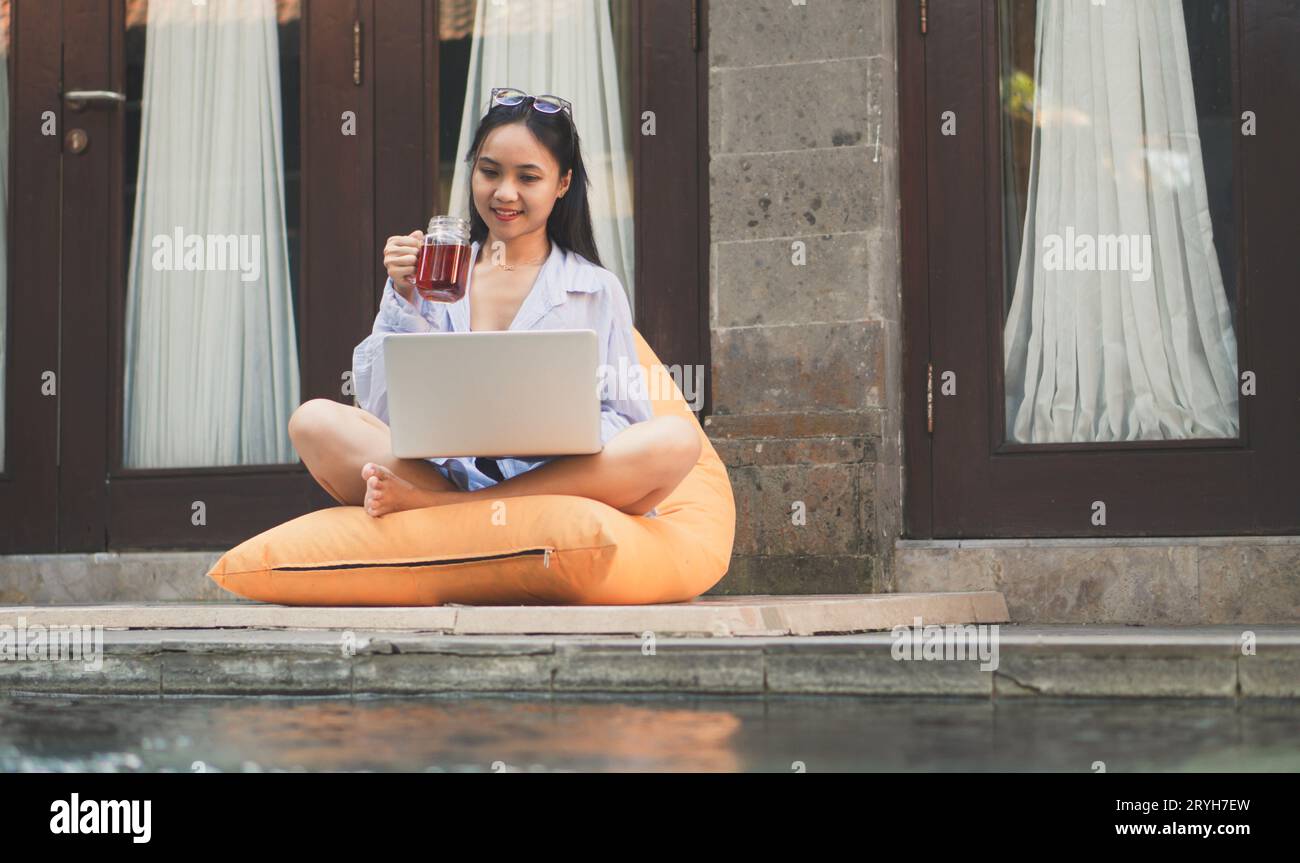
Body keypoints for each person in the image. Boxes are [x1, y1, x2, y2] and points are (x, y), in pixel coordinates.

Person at [288, 88, 700, 519]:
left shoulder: (594, 288)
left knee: (676, 439)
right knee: (312, 421)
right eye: (490, 172)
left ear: (563, 183)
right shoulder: (437, 274)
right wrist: (404, 295)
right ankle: (459, 503)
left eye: (528, 177)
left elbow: (627, 419)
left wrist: (553, 434)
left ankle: (448, 511)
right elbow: (380, 412)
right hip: (445, 472)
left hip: (555, 483)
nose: (504, 193)